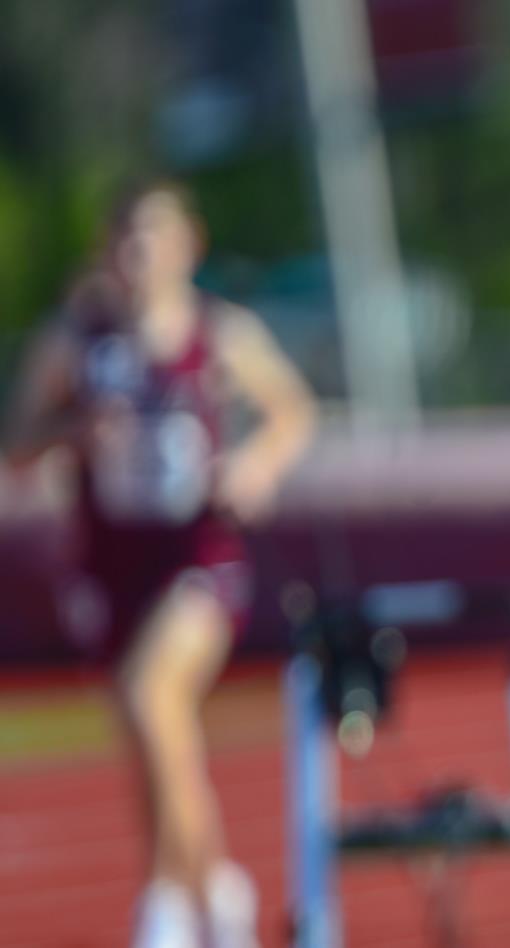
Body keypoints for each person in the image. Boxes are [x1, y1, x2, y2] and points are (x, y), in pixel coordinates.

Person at [2, 179, 315, 948]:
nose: (138, 256)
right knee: (154, 730)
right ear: (106, 253)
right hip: (113, 562)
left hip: (198, 553)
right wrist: (72, 426)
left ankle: (166, 902)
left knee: (150, 698)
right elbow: (17, 448)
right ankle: (213, 885)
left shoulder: (220, 333)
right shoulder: (77, 341)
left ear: (188, 246)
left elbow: (293, 410)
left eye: (153, 237)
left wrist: (256, 465)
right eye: (124, 240)